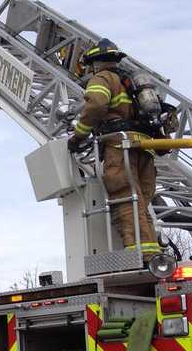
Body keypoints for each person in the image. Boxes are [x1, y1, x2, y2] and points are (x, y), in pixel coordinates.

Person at [68, 38, 162, 261]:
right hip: (144, 146)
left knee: (126, 197)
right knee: (141, 200)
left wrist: (78, 135)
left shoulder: (102, 78)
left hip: (120, 146)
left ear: (95, 63)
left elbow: (97, 105)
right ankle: (152, 251)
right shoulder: (130, 82)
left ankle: (141, 256)